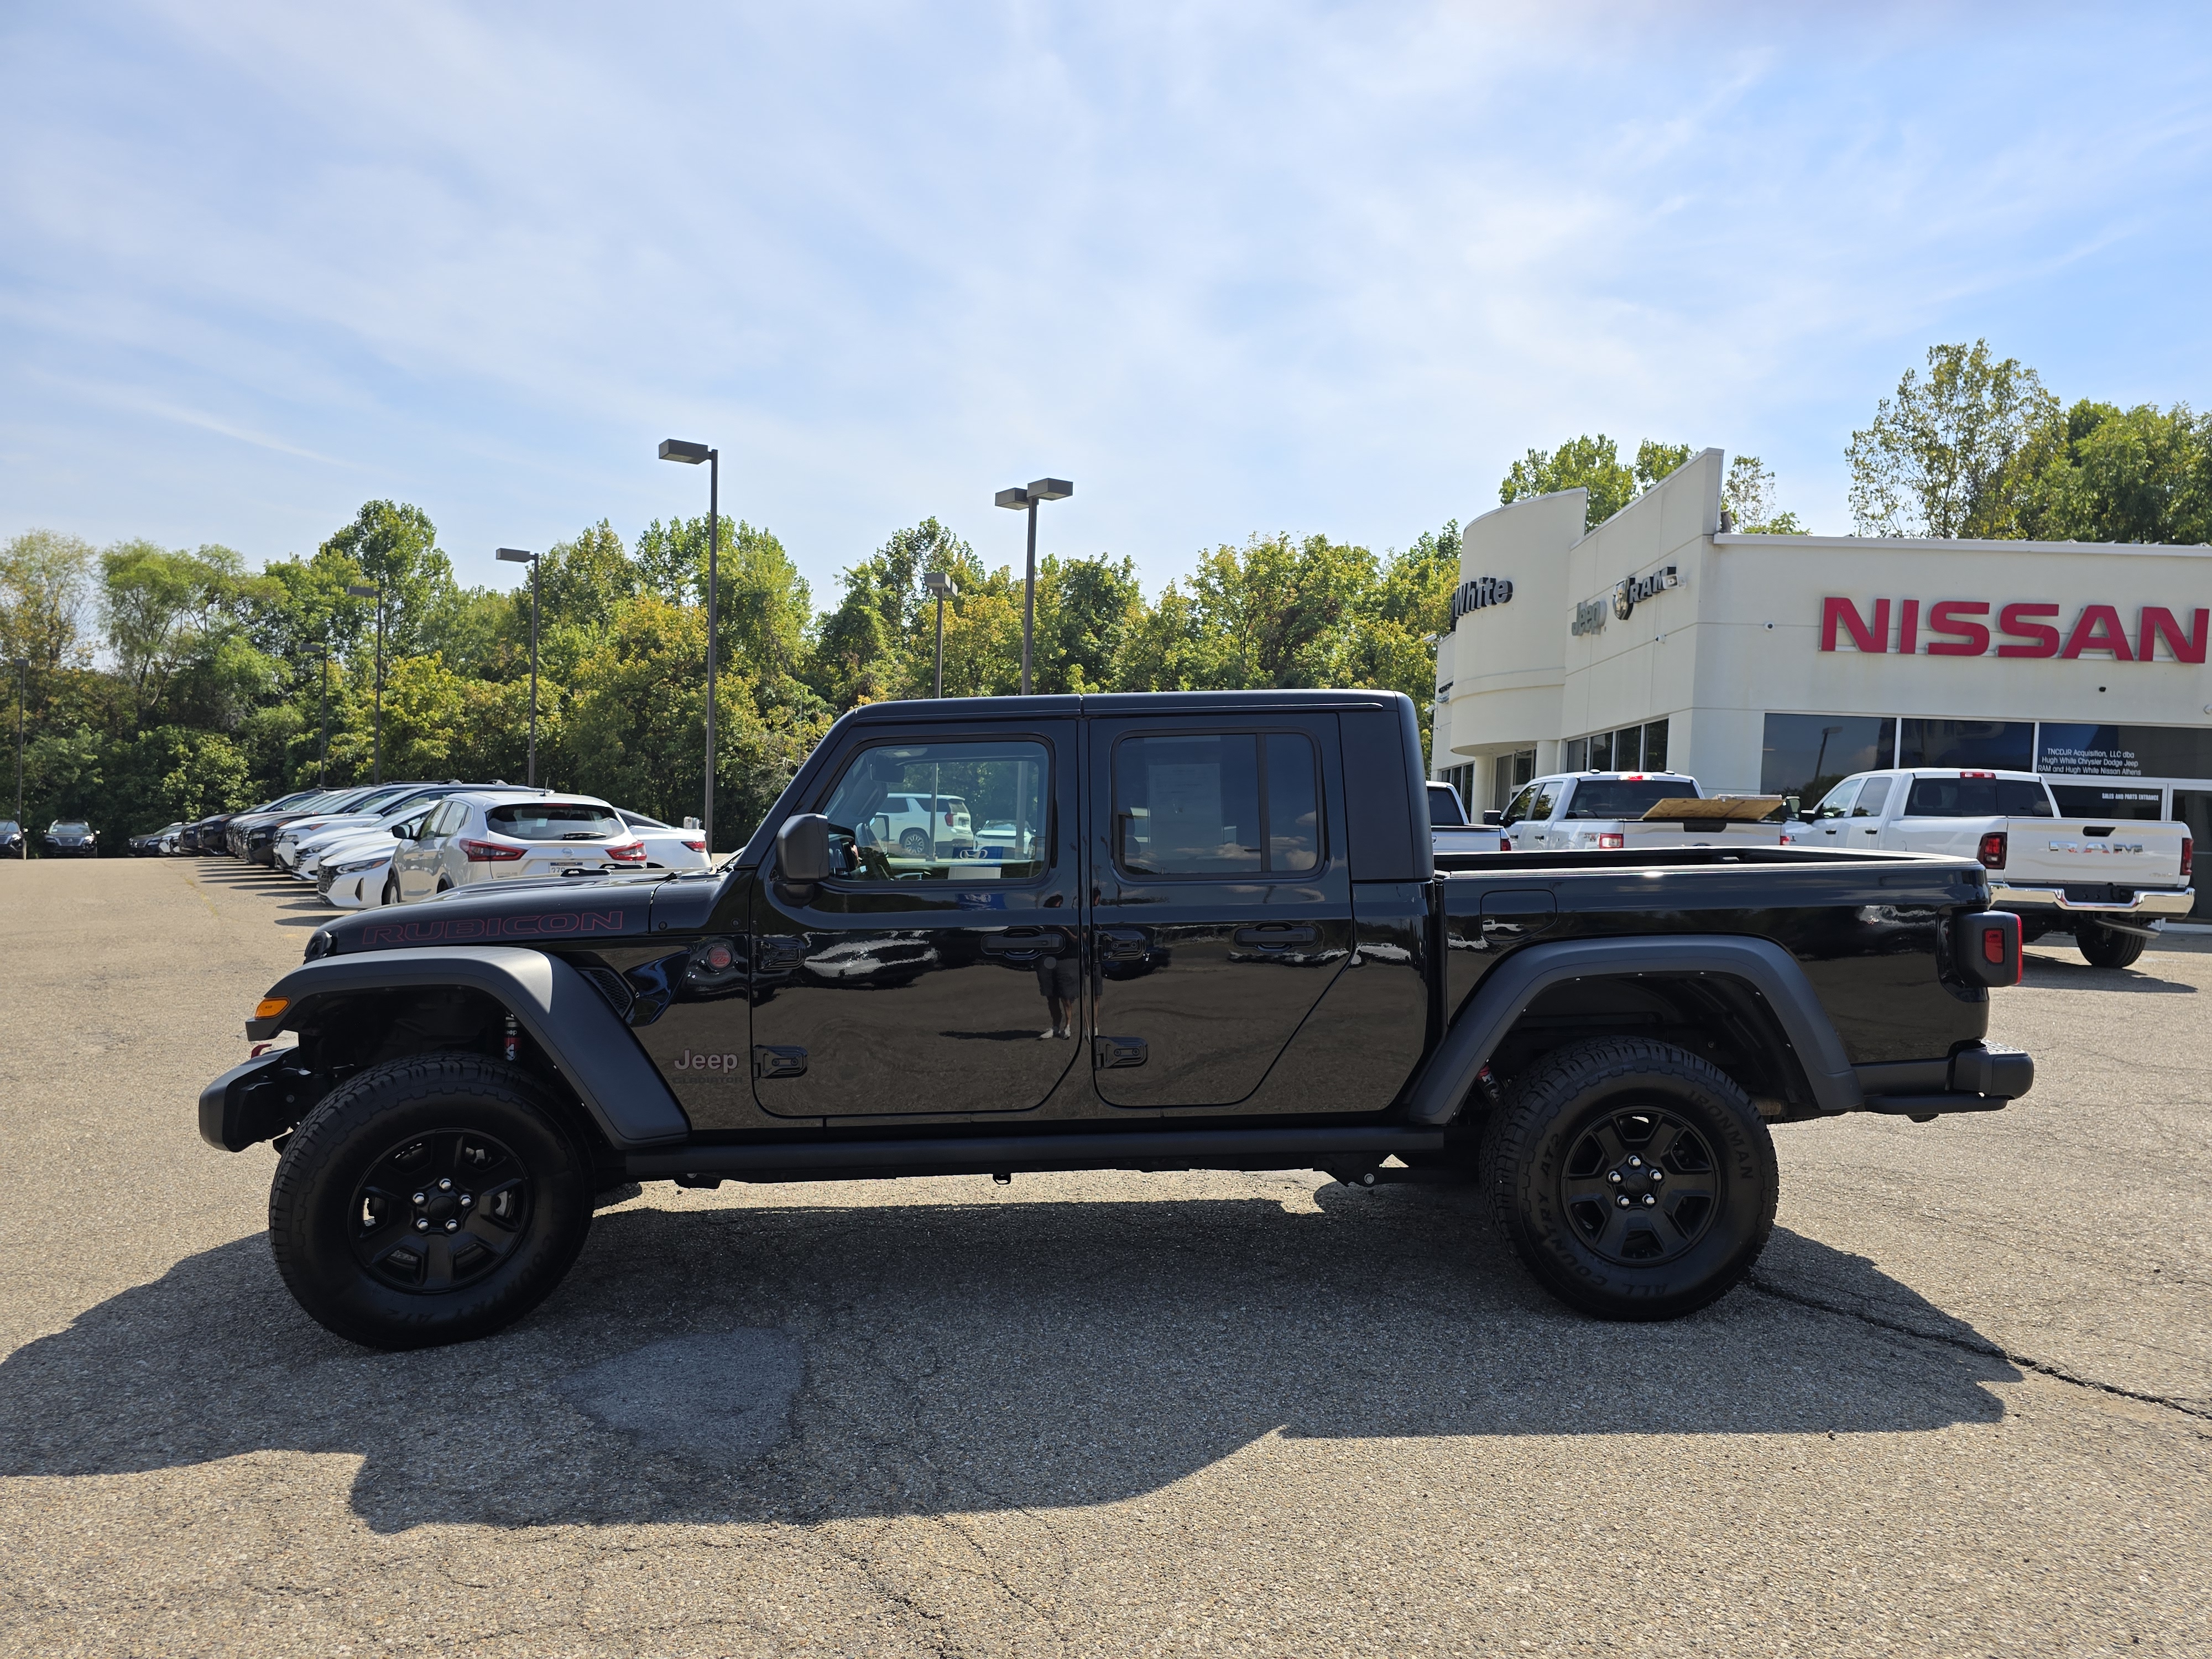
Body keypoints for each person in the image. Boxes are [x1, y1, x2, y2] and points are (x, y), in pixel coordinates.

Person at [1036, 943, 1078, 1040]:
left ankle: (1067, 1026)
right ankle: (1055, 1027)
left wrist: (1065, 929)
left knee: (1066, 996)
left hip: (1066, 958)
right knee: (1051, 995)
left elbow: (1079, 938)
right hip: (1047, 957)